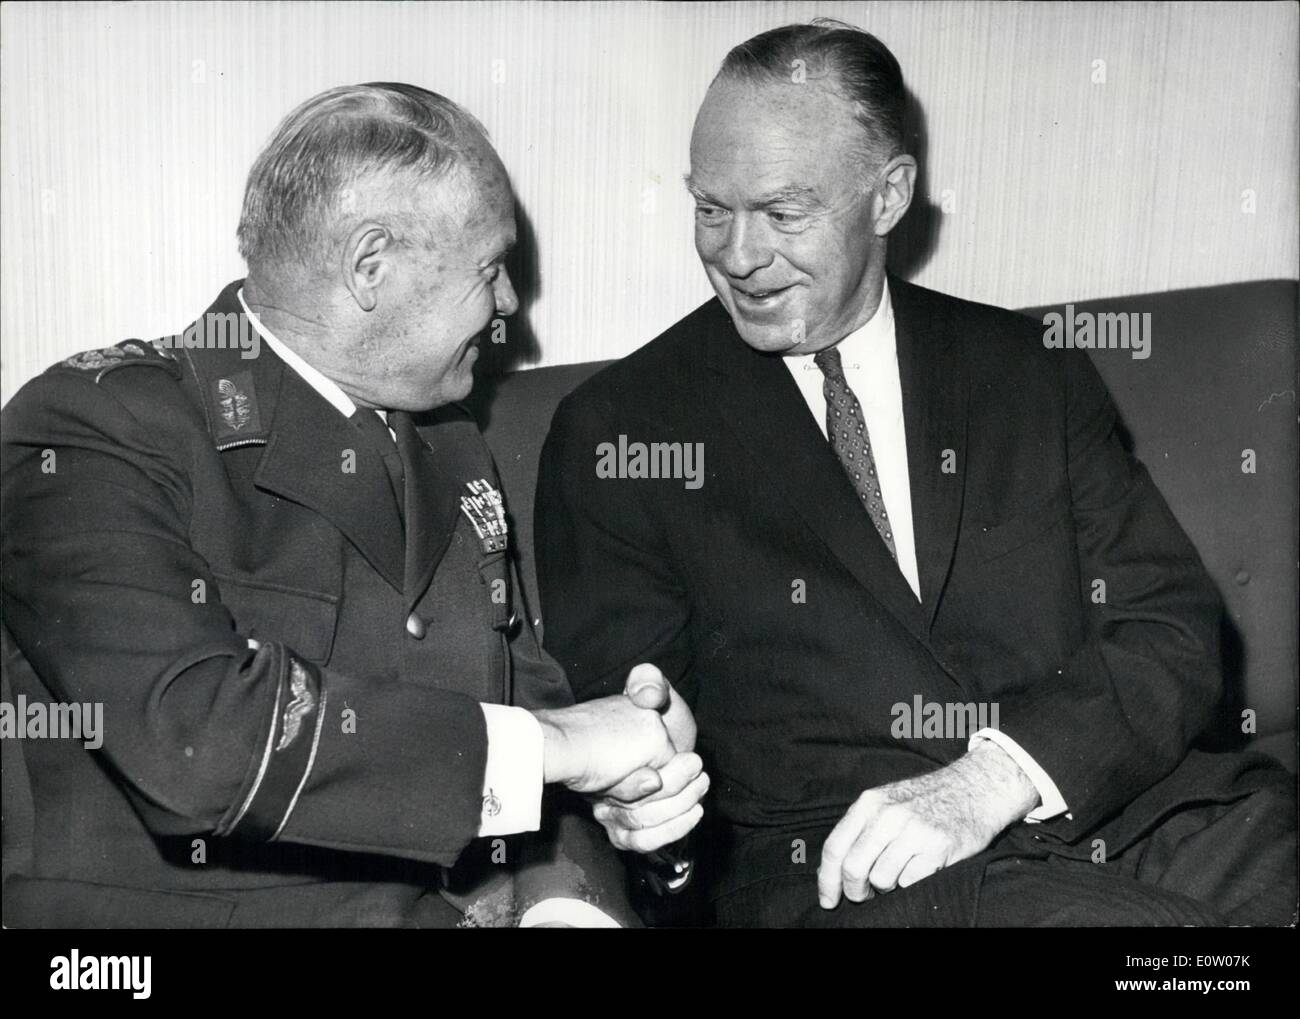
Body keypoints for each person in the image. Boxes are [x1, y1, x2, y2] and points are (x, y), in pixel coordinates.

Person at [534, 22, 1295, 927]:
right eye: (710, 208)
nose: (737, 255)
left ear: (889, 196)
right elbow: (635, 742)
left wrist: (999, 774)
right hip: (856, 875)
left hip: (1130, 805)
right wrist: (644, 805)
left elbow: (1169, 627)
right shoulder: (619, 433)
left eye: (782, 213)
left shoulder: (1027, 367)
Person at [0, 82, 705, 928]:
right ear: (370, 268)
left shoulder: (449, 444)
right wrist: (567, 749)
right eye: (490, 268)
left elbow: (531, 720)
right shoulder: (92, 429)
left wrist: (604, 831)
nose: (512, 305)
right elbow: (201, 742)